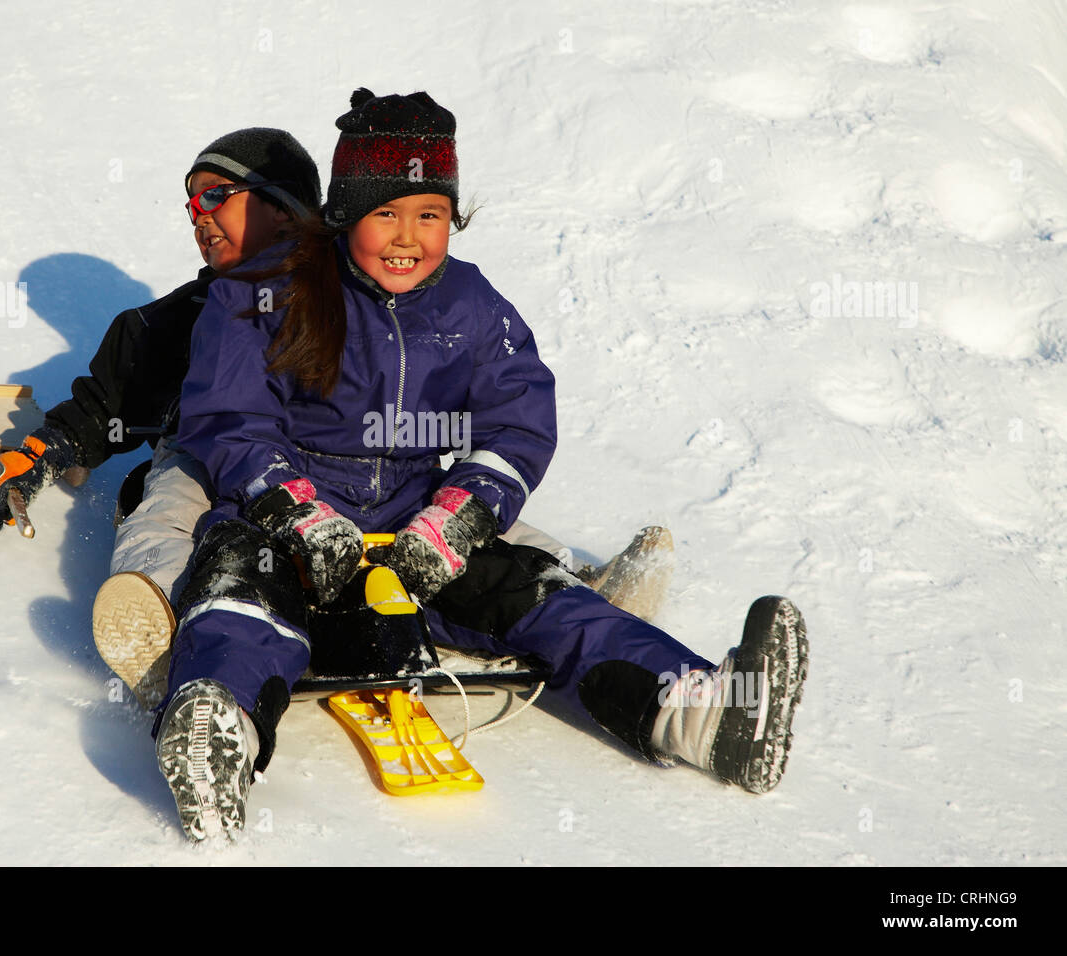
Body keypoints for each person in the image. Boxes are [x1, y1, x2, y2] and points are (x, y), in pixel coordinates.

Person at [157, 89, 809, 844]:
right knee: (239, 590)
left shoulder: (470, 306)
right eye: (387, 215)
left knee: (538, 592)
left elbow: (516, 419)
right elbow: (230, 418)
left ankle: (698, 714)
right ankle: (216, 727)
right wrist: (292, 509)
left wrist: (460, 516)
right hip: (288, 514)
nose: (409, 238)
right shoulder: (264, 292)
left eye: (429, 215)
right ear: (343, 216)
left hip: (409, 518)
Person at [0, 127, 592, 712]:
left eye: (216, 195)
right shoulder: (171, 323)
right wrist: (35, 456)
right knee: (169, 506)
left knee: (439, 503)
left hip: (340, 471)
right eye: (190, 204)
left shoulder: (362, 296)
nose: (199, 216)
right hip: (207, 460)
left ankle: (572, 588)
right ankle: (159, 627)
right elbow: (101, 409)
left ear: (288, 206)